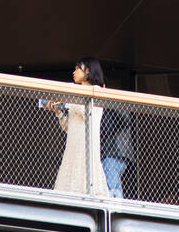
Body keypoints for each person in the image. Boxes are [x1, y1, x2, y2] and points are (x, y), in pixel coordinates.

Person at [45, 58, 109, 198]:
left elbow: (88, 115)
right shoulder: (75, 93)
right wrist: (58, 112)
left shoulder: (96, 91)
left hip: (86, 148)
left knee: (86, 179)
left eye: (77, 69)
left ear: (88, 71)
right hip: (72, 147)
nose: (74, 72)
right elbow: (69, 126)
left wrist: (68, 98)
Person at [101, 96, 134, 199]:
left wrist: (106, 101)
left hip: (118, 154)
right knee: (115, 188)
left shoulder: (115, 102)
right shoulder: (96, 110)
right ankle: (119, 210)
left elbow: (126, 120)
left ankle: (113, 208)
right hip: (104, 155)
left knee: (111, 188)